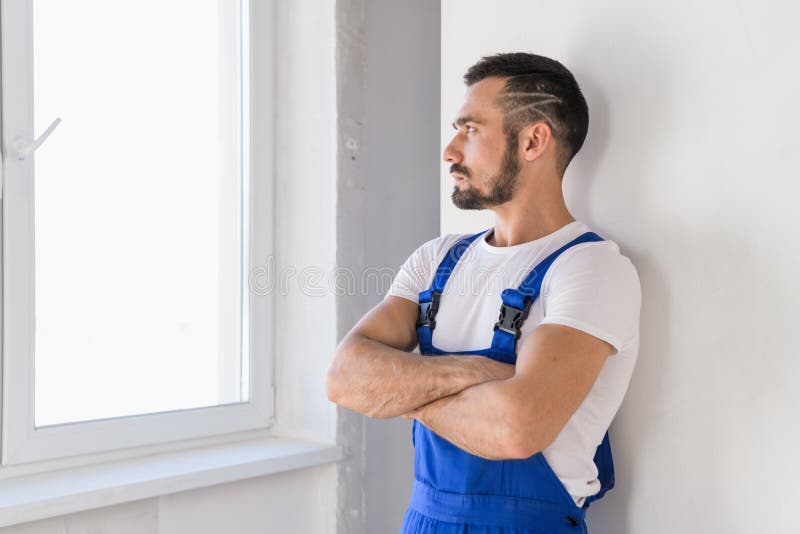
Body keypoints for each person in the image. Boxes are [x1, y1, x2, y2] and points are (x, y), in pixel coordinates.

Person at [326, 52, 641, 533]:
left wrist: (395, 390)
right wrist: (476, 372)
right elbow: (344, 379)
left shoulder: (591, 268)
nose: (450, 151)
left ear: (533, 140)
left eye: (470, 130)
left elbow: (516, 429)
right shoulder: (437, 260)